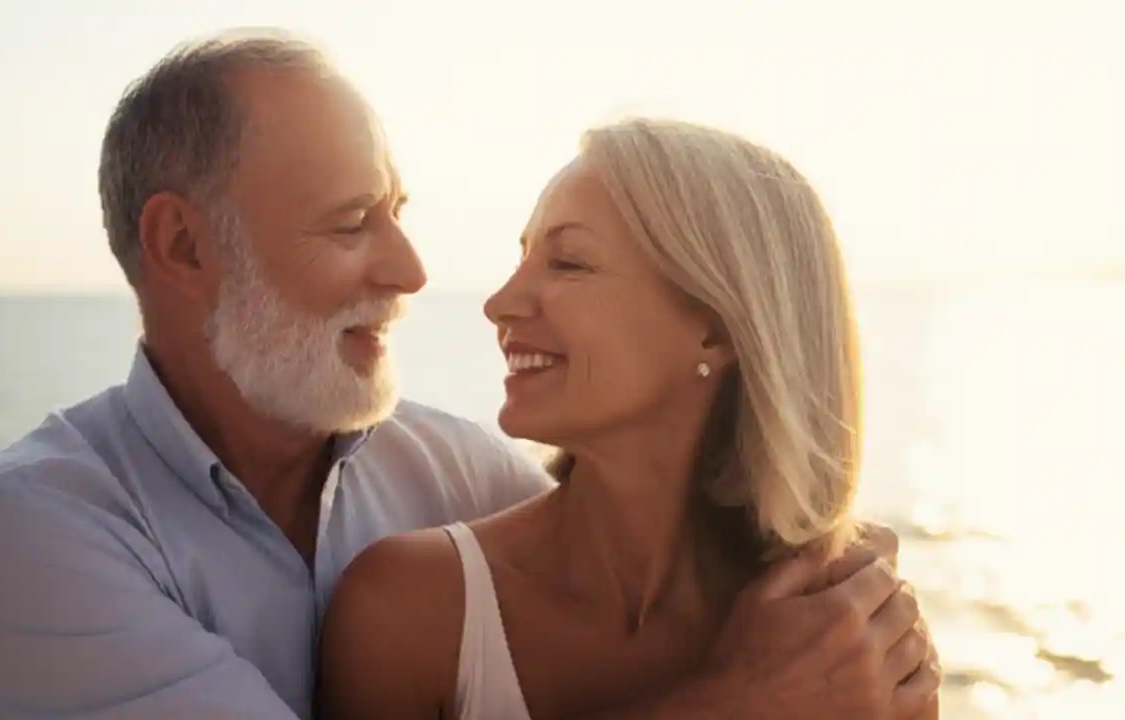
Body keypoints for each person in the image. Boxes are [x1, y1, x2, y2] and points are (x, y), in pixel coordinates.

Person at [0, 29, 931, 719]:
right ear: (181, 249)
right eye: (353, 224)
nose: (415, 274)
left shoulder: (467, 478)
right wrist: (735, 702)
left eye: (399, 213)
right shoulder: (14, 540)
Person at [319, 120, 940, 720]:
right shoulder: (412, 611)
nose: (500, 303)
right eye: (524, 258)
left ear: (715, 327)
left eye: (567, 263)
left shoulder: (848, 628)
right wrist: (738, 702)